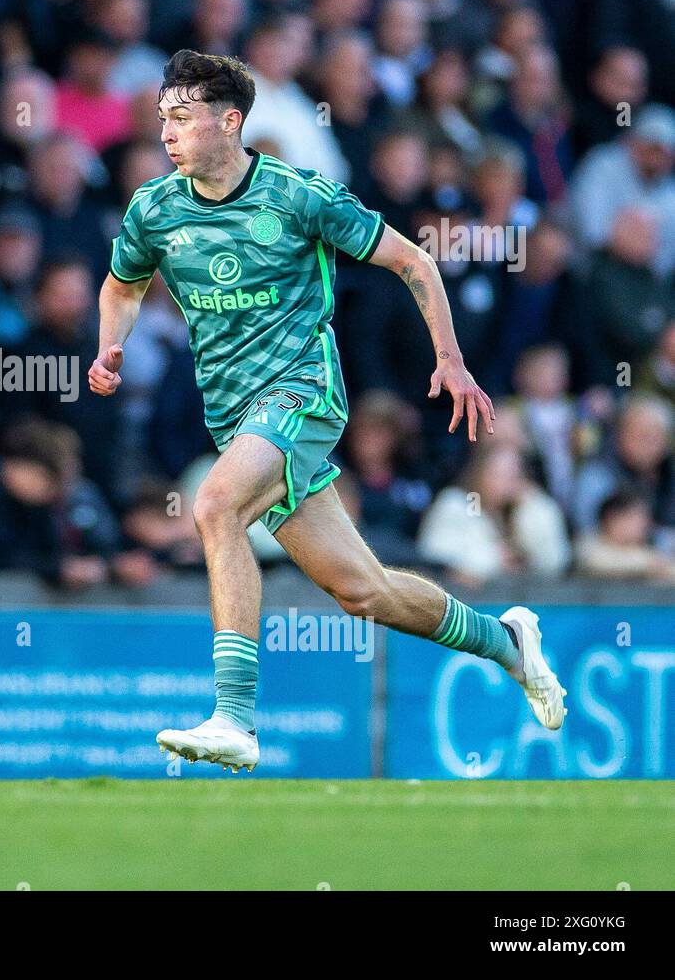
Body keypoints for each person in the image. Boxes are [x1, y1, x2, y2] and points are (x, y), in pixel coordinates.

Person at [89, 50, 567, 773]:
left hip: (303, 393)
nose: (166, 132)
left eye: (181, 118)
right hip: (236, 415)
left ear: (230, 121)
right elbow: (122, 286)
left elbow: (415, 261)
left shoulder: (299, 195)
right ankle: (507, 640)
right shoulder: (154, 208)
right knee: (363, 591)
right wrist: (109, 347)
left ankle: (235, 717)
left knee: (216, 505)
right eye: (162, 118)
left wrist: (450, 359)